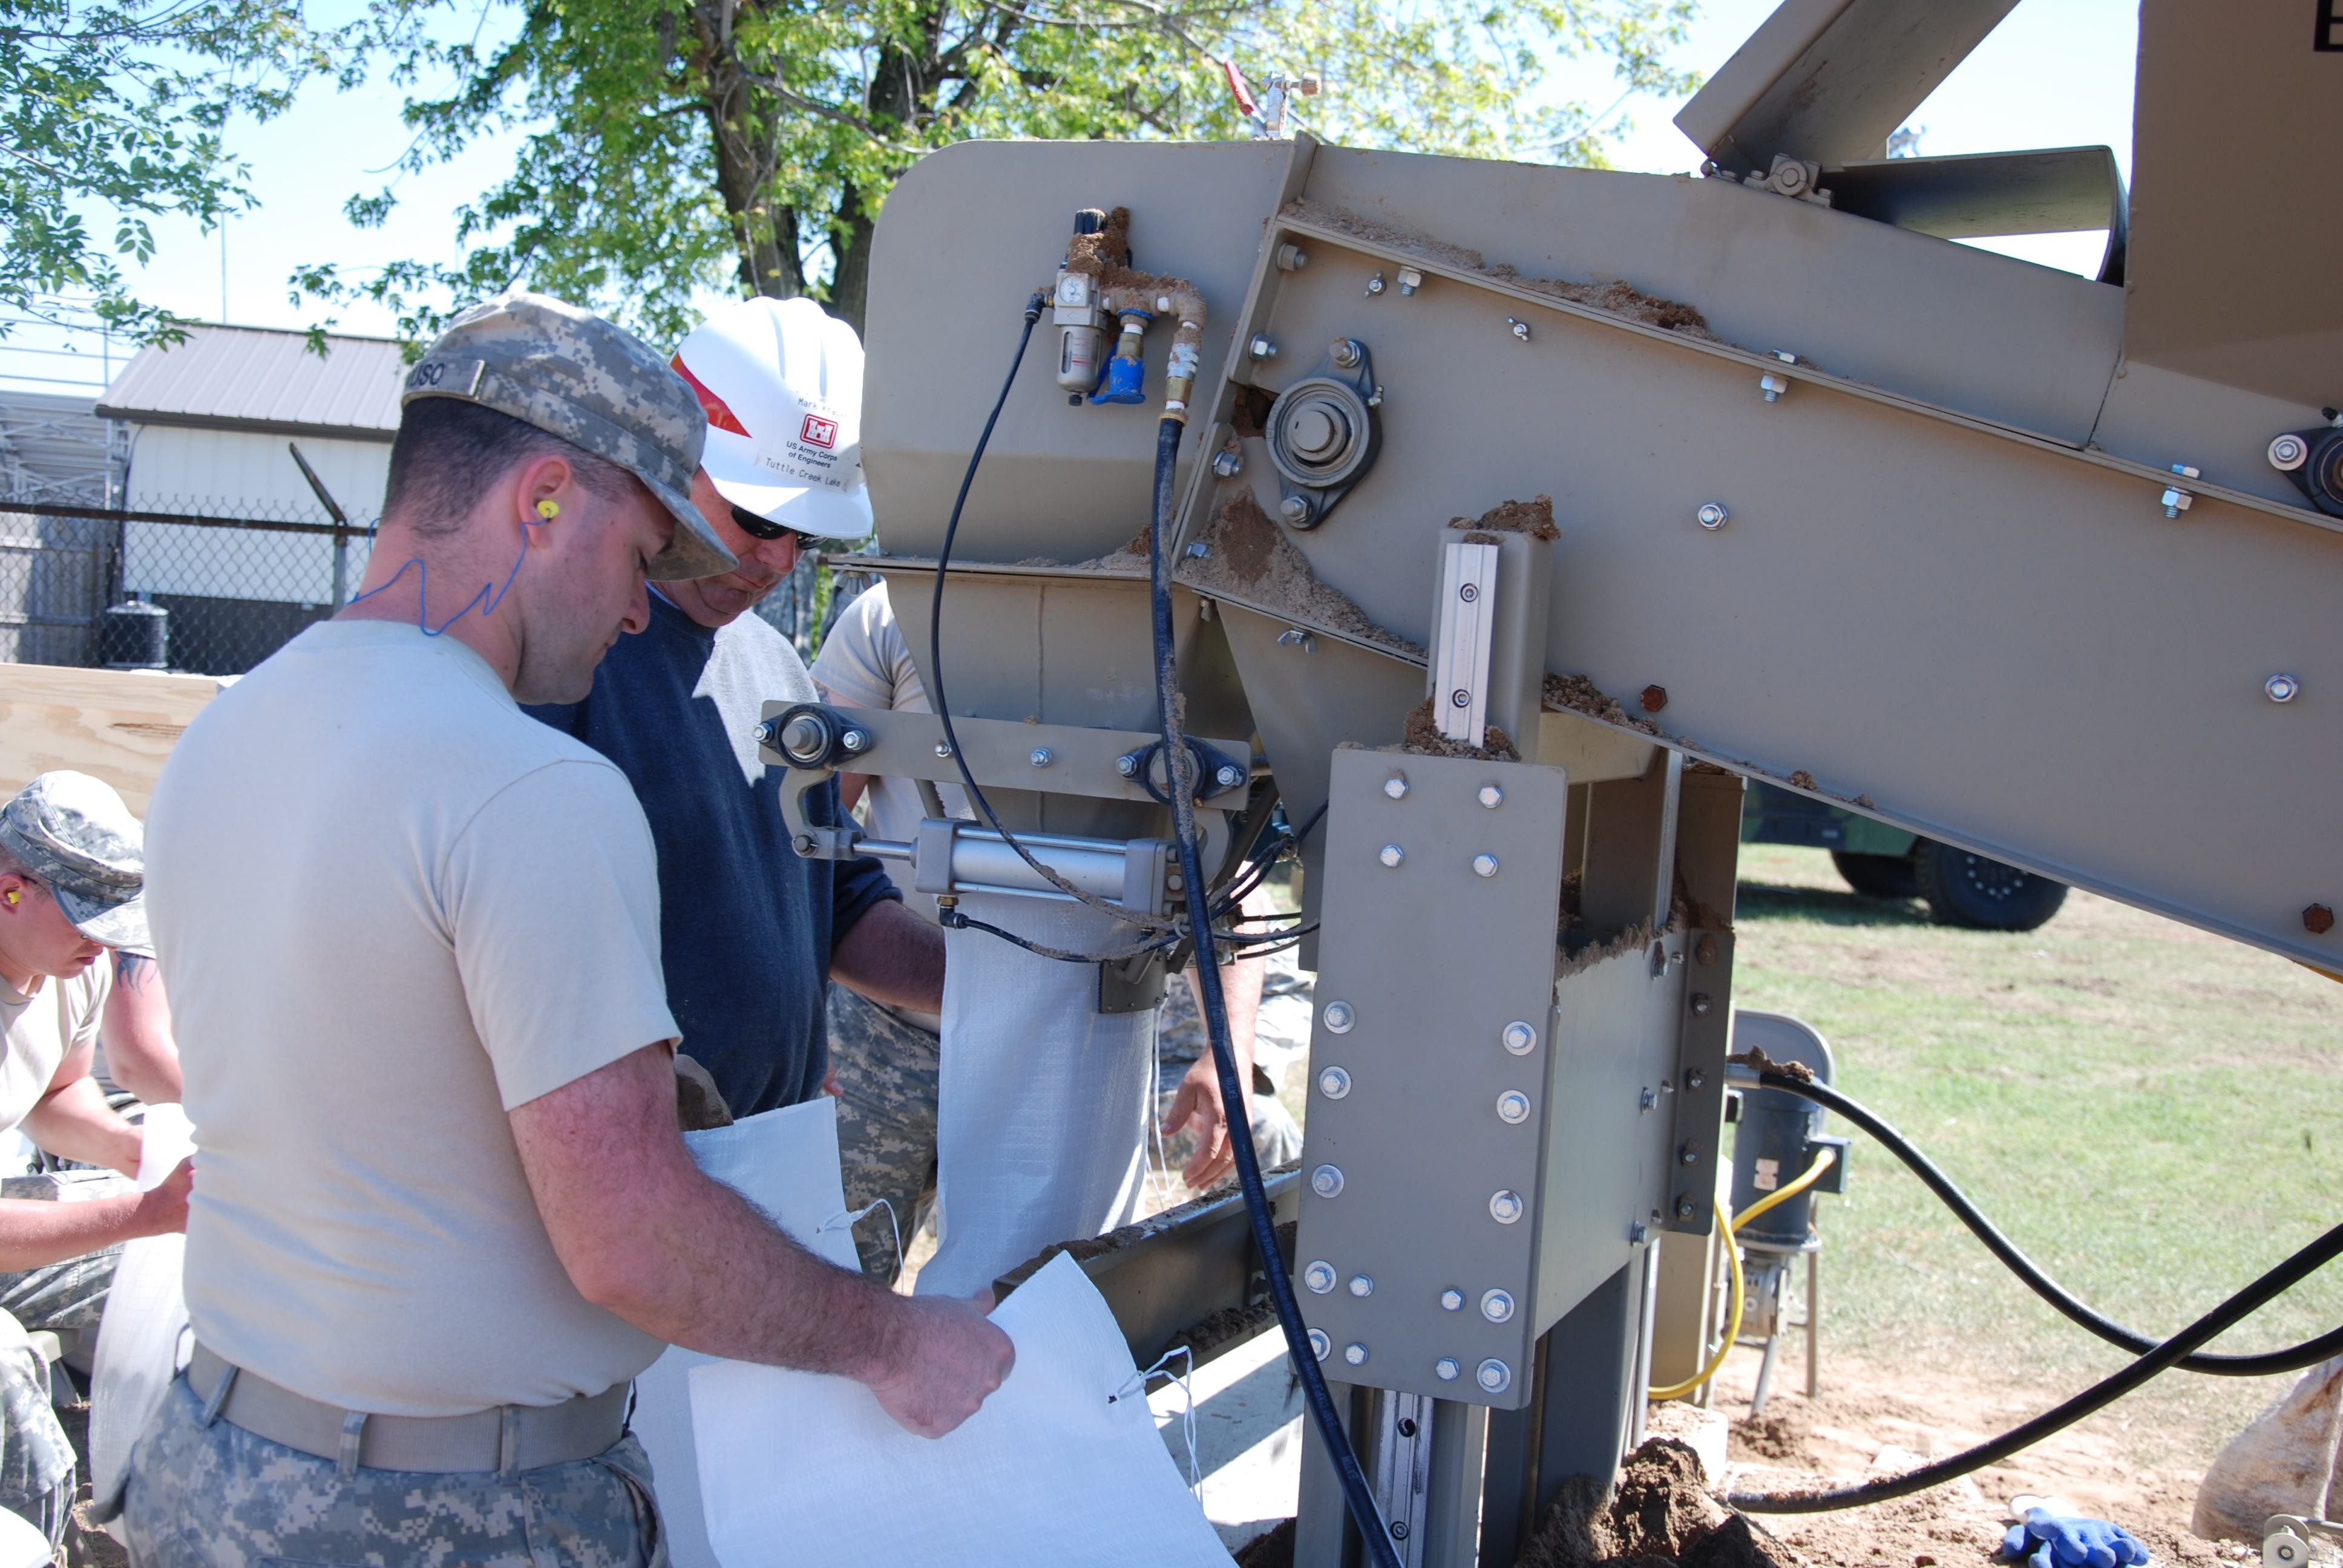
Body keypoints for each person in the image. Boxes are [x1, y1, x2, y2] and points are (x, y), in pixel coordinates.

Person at [128, 292, 1010, 1568]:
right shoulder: (530, 783)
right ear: (542, 502)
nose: (647, 606)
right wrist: (897, 1339)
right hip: (449, 1513)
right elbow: (632, 1237)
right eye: (649, 548)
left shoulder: (232, 729)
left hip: (221, 1455)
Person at [526, 294, 942, 1124]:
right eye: (759, 516)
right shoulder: (560, 663)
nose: (777, 560)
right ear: (672, 458)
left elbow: (839, 902)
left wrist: (1018, 989)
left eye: (807, 535)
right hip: (631, 1160)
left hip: (769, 1143)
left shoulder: (775, 668)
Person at [813, 579, 1285, 1289]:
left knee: (1035, 1305)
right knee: (829, 1293)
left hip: (1066, 1046)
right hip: (886, 1038)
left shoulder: (1181, 629)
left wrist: (1229, 1048)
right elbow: (818, 836)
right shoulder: (896, 613)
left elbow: (1218, 857)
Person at [0, 771, 191, 1542]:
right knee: (29, 1440)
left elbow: (54, 1097)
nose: (102, 940)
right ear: (12, 889)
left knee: (189, 1283)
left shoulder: (61, 968)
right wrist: (146, 1210)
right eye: (85, 917)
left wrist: (138, 1151)